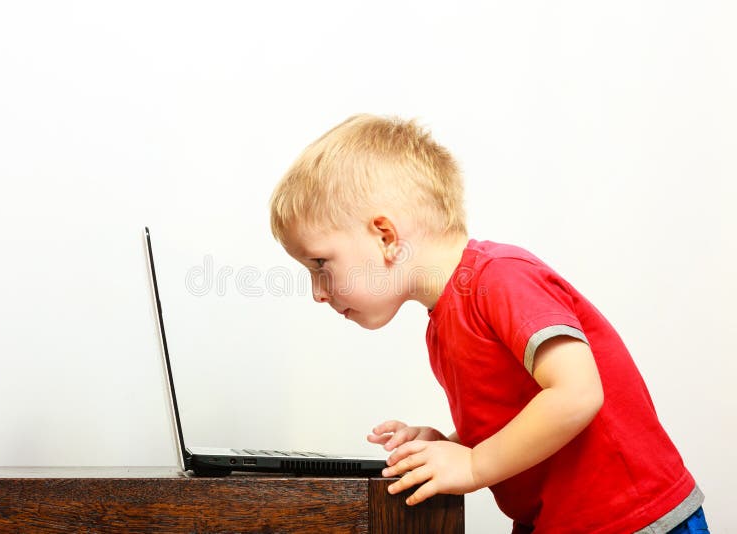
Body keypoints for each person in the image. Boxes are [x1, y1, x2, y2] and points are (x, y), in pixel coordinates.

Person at [268, 114, 706, 533]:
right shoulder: (443, 322)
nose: (317, 292)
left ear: (386, 237)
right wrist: (456, 444)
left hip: (636, 519)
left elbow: (577, 393)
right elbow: (518, 413)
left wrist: (475, 465)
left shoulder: (500, 277)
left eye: (320, 263)